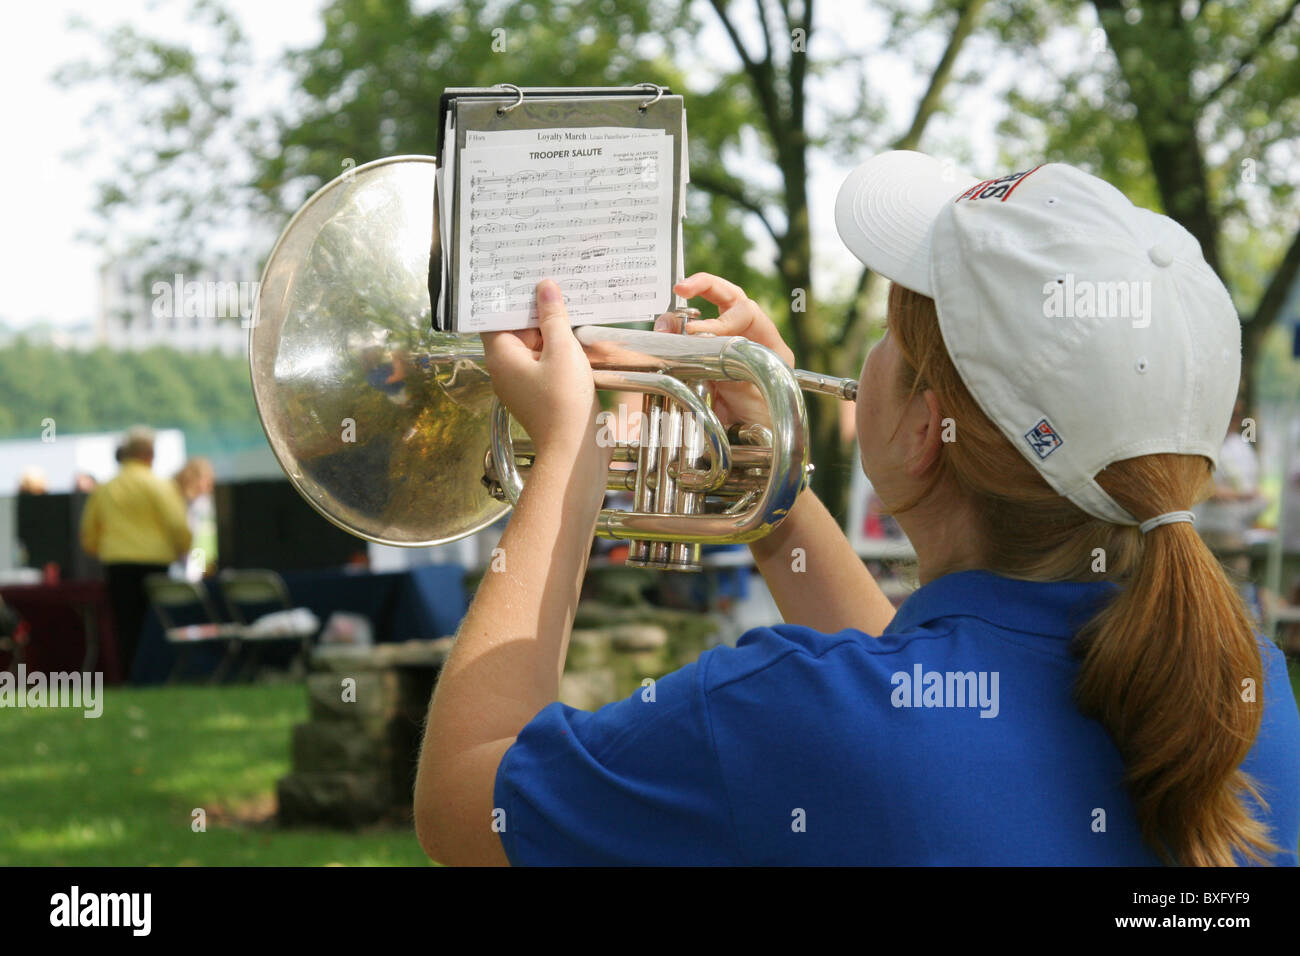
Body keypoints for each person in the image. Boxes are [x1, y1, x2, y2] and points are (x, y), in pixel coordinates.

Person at [413, 152, 1300, 866]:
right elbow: (923, 709)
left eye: (890, 335)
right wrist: (772, 497)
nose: (869, 353)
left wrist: (570, 452)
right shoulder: (1238, 687)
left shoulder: (776, 711)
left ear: (922, 430)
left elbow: (463, 799)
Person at [80, 426, 192, 679]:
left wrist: (101, 549)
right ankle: (156, 675)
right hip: (156, 564)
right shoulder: (160, 486)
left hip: (117, 565)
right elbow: (178, 525)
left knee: (125, 625)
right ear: (150, 455)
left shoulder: (105, 489)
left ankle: (129, 675)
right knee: (156, 624)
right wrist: (182, 550)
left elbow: (88, 533)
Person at [174, 457, 217, 580]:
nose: (210, 484)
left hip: (198, 565)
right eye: (207, 479)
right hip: (187, 566)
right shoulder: (190, 504)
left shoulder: (204, 503)